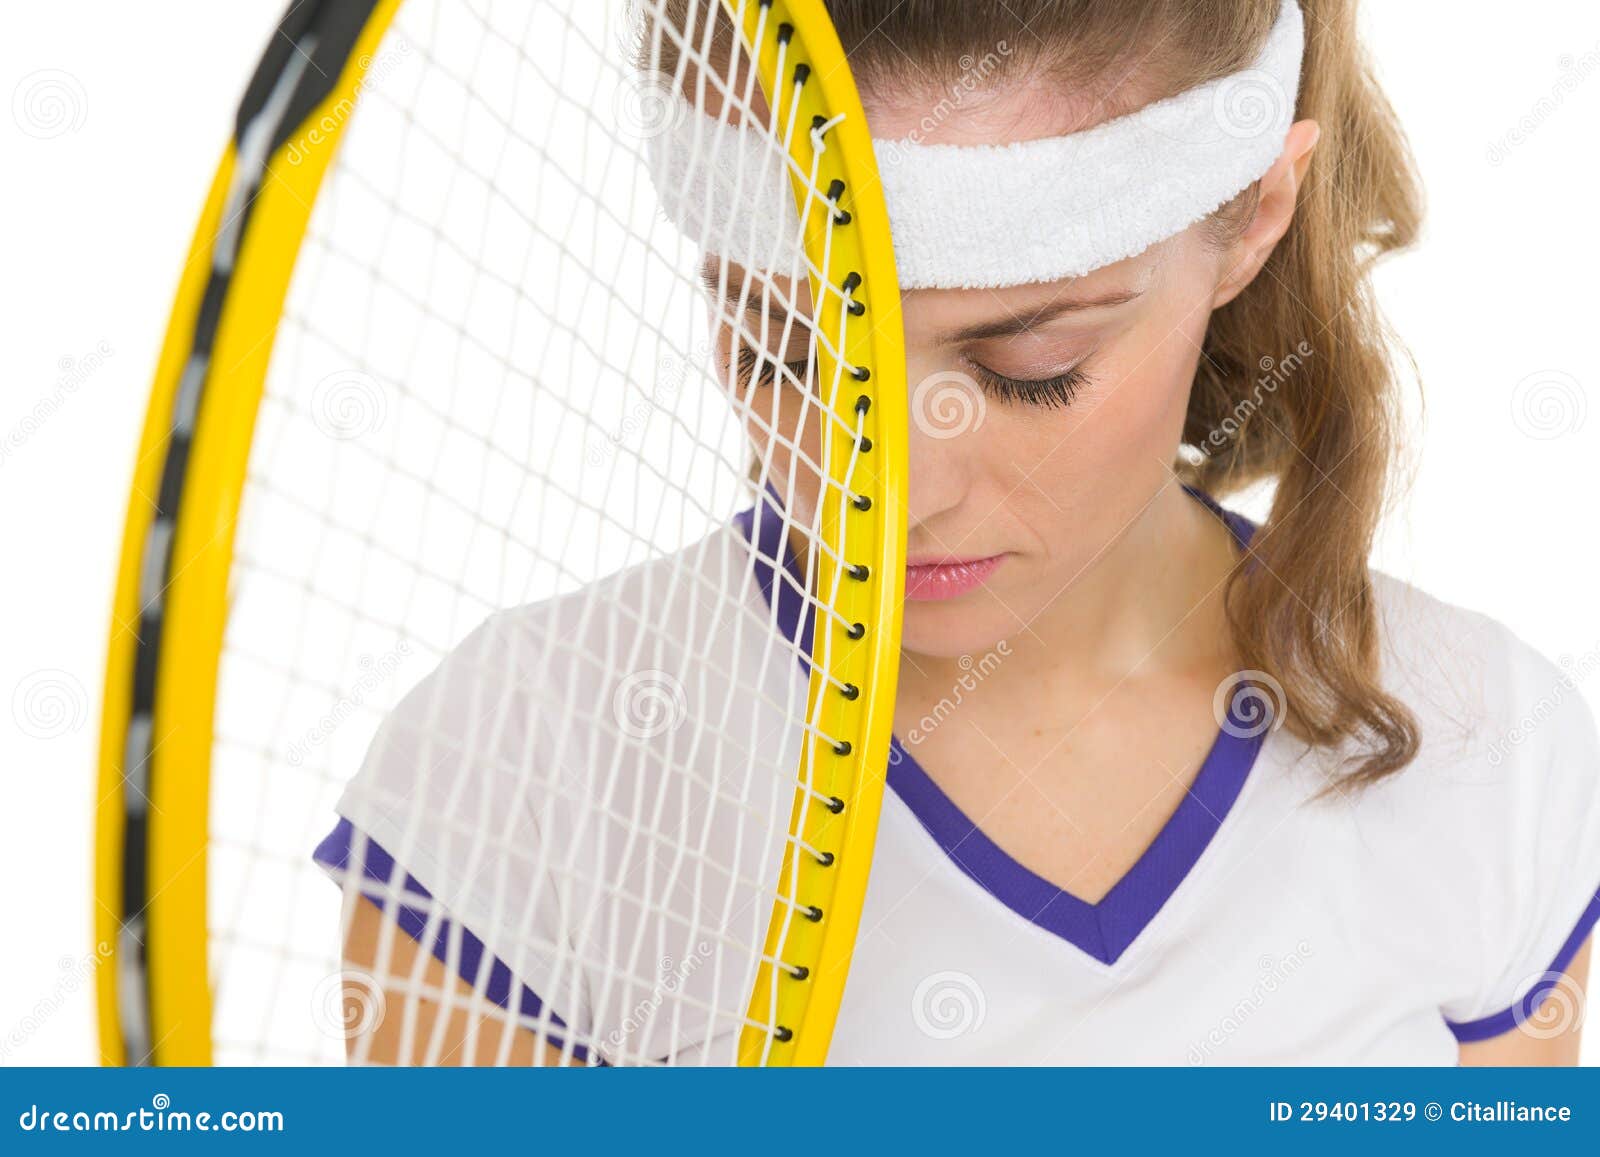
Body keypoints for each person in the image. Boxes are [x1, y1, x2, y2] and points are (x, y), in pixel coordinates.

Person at [315, 0, 1599, 1064]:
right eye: (784, 350)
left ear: (1252, 217)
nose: (896, 491)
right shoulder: (522, 768)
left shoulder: (1493, 753)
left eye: (1030, 361)